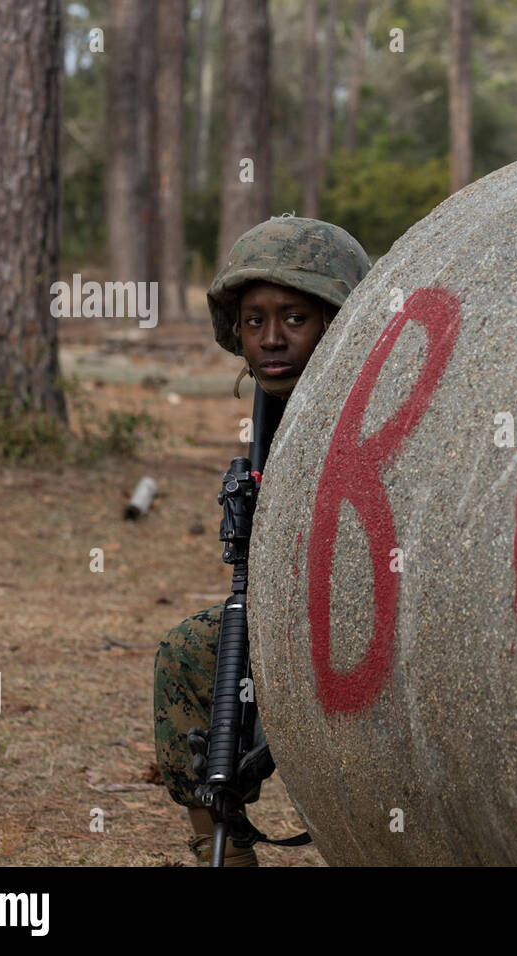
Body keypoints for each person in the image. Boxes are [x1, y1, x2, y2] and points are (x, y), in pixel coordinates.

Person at [153, 215, 371, 865]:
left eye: (295, 319)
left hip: (374, 634)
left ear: (339, 321)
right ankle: (220, 845)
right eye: (254, 321)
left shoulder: (373, 403)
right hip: (294, 621)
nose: (272, 340)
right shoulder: (273, 407)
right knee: (190, 654)